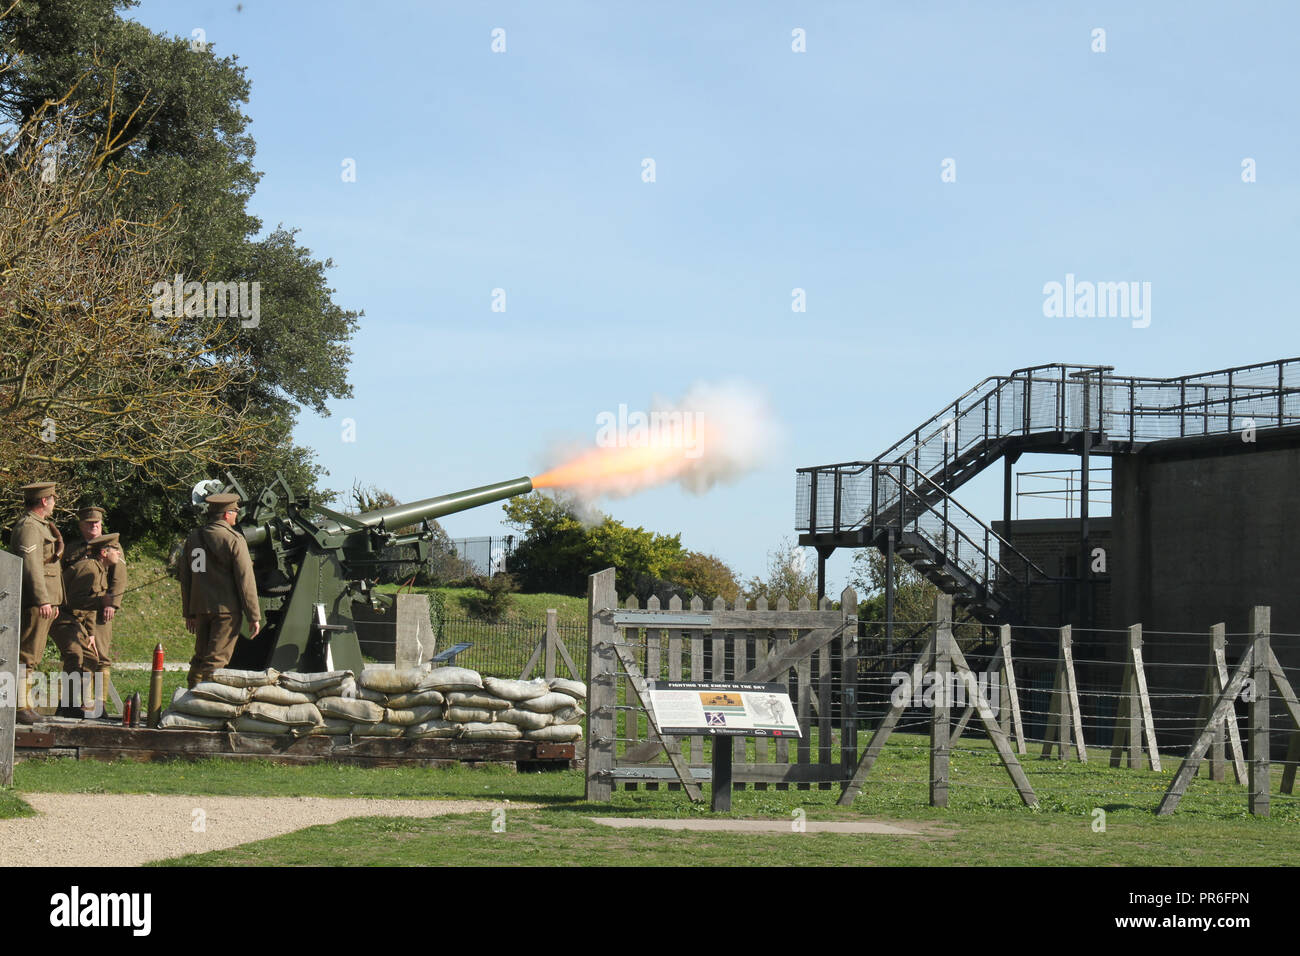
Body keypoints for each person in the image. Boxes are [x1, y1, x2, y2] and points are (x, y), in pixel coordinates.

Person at [178, 493, 260, 688]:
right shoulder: (233, 539)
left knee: (200, 657)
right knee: (216, 661)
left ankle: (190, 698)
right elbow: (245, 579)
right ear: (226, 514)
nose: (236, 516)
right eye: (234, 512)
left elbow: (186, 577)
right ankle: (205, 705)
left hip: (200, 608)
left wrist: (189, 612)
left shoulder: (194, 538)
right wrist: (253, 615)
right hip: (226, 610)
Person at [9, 482, 65, 725]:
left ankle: (25, 704)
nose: (54, 502)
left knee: (33, 654)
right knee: (25, 655)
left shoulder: (40, 526)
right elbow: (32, 566)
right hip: (35, 602)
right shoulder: (30, 527)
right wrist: (43, 599)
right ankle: (19, 705)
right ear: (44, 500)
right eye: (53, 498)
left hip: (44, 602)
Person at [50, 533, 122, 718]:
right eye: (115, 549)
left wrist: (91, 634)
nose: (119, 553)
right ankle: (69, 705)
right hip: (61, 617)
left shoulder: (100, 570)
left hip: (75, 621)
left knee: (91, 657)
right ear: (104, 552)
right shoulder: (89, 568)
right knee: (74, 654)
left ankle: (72, 703)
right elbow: (73, 600)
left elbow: (89, 608)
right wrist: (101, 601)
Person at [63, 506, 127, 657]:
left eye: (97, 522)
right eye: (89, 522)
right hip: (74, 610)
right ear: (81, 525)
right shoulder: (73, 548)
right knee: (75, 654)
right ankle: (79, 680)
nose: (94, 525)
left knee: (100, 654)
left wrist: (112, 604)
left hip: (99, 608)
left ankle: (100, 680)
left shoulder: (113, 547)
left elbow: (119, 578)